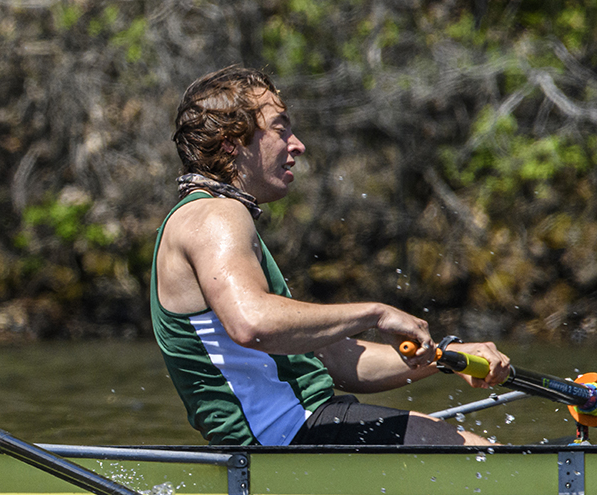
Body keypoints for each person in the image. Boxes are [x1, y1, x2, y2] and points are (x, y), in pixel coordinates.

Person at [151, 66, 509, 446]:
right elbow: (252, 323)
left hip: (300, 428)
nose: (297, 144)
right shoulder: (216, 217)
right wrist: (377, 312)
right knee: (485, 458)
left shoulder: (215, 218)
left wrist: (445, 357)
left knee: (471, 449)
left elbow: (337, 360)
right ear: (230, 143)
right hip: (281, 438)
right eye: (280, 129)